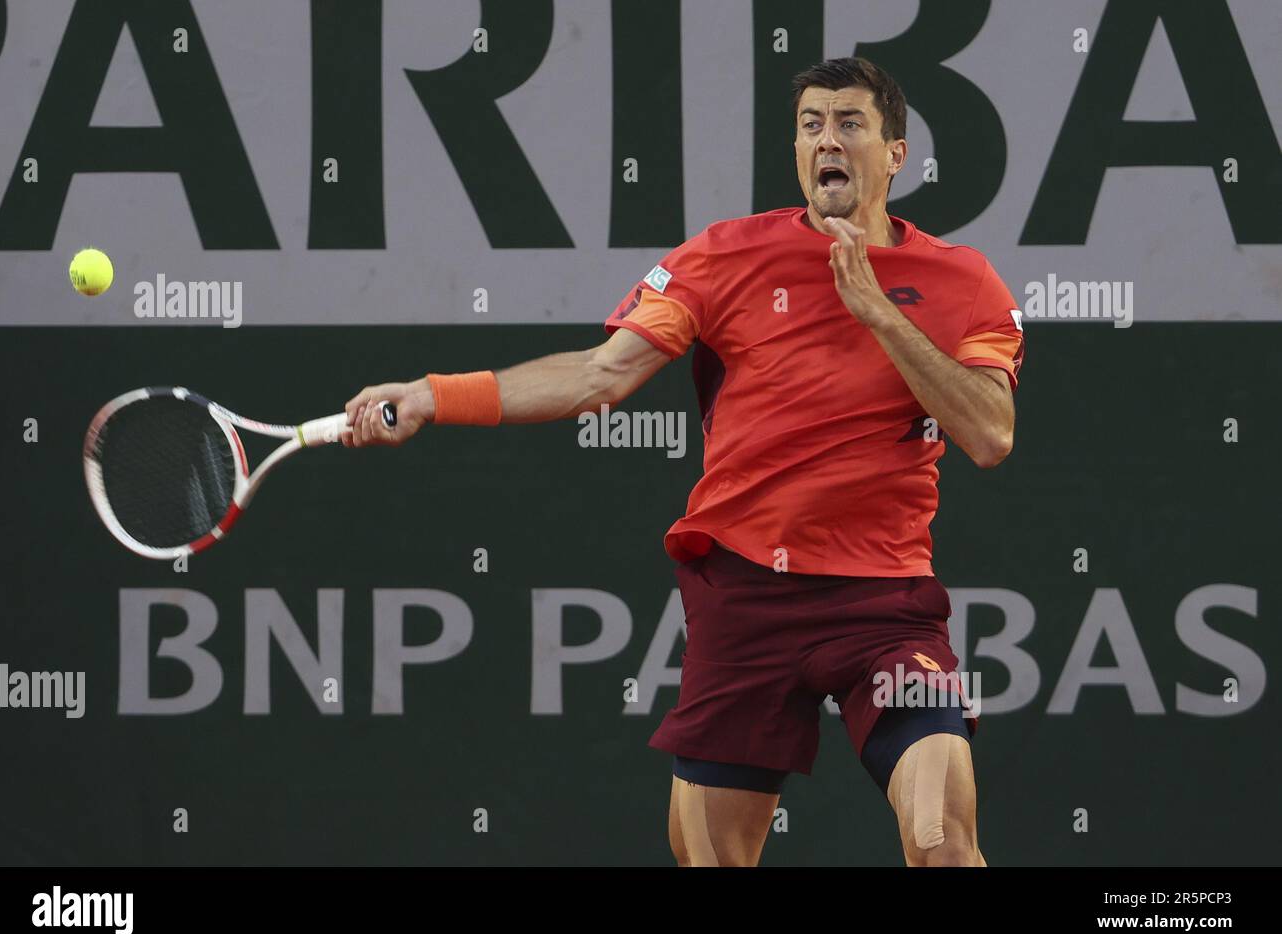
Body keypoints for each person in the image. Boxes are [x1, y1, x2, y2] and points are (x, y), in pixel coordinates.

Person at [343, 56, 1023, 867]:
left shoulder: (962, 280)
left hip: (886, 605)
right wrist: (431, 393)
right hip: (745, 602)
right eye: (811, 125)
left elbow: (990, 434)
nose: (826, 141)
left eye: (849, 123)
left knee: (945, 844)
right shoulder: (725, 256)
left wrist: (879, 312)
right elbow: (602, 375)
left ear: (896, 152)